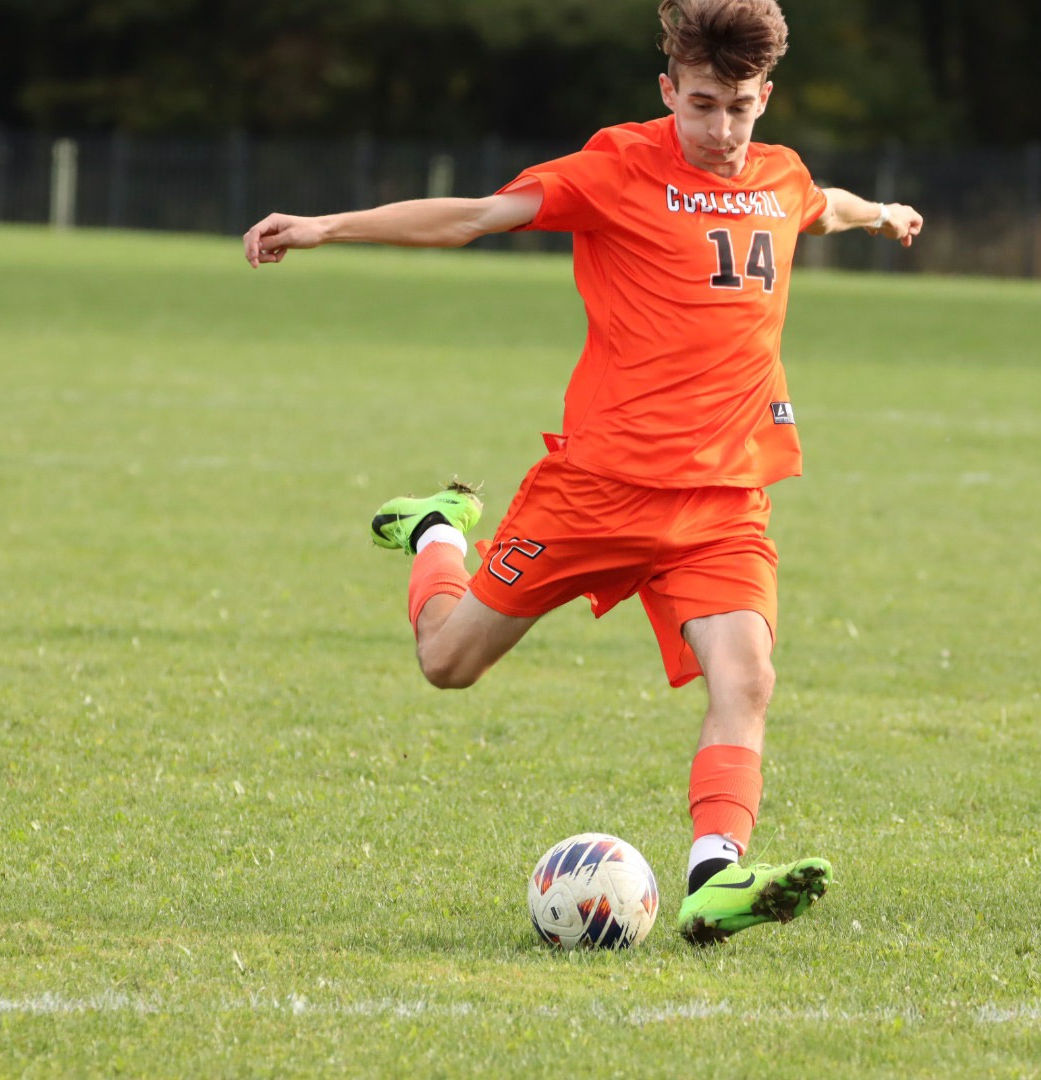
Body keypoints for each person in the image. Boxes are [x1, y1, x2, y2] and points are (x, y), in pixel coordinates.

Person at [242, 0, 923, 943]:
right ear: (667, 92)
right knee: (448, 664)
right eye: (701, 105)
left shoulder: (781, 174)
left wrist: (881, 214)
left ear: (765, 99)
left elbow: (822, 206)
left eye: (739, 108)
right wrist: (327, 226)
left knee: (748, 676)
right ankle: (438, 529)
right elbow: (476, 216)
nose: (721, 129)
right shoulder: (616, 169)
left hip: (723, 499)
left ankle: (714, 875)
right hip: (596, 493)